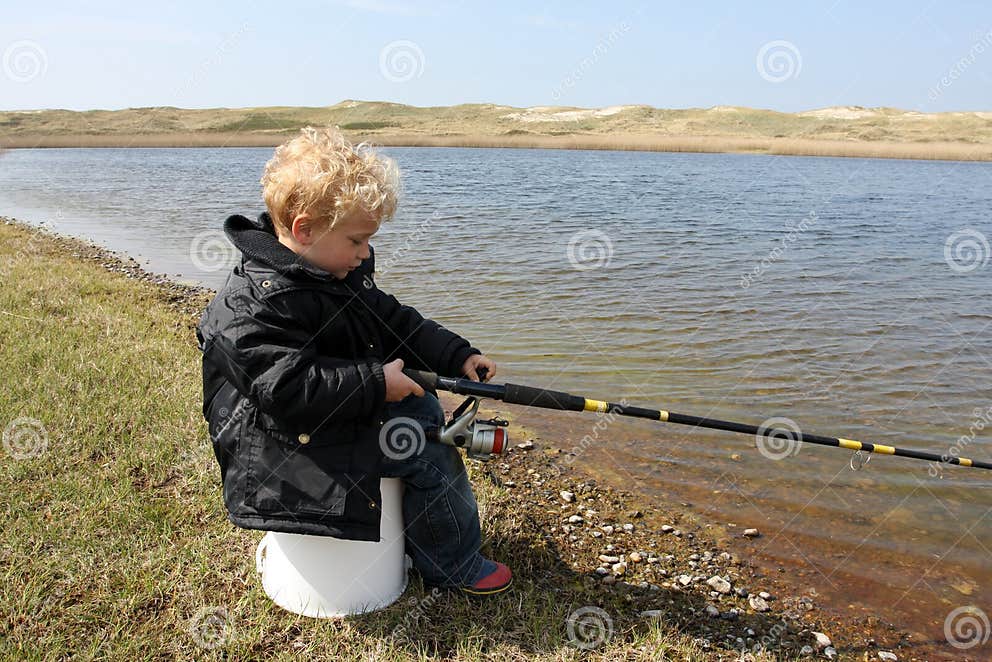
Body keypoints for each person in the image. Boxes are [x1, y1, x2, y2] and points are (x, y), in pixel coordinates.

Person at [195, 126, 511, 595]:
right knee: (425, 444)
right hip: (278, 449)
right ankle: (453, 564)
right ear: (304, 229)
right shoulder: (252, 305)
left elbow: (393, 322)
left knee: (424, 408)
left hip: (312, 424)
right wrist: (375, 385)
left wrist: (455, 354)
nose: (366, 252)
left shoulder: (330, 271)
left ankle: (416, 539)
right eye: (357, 240)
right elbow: (286, 389)